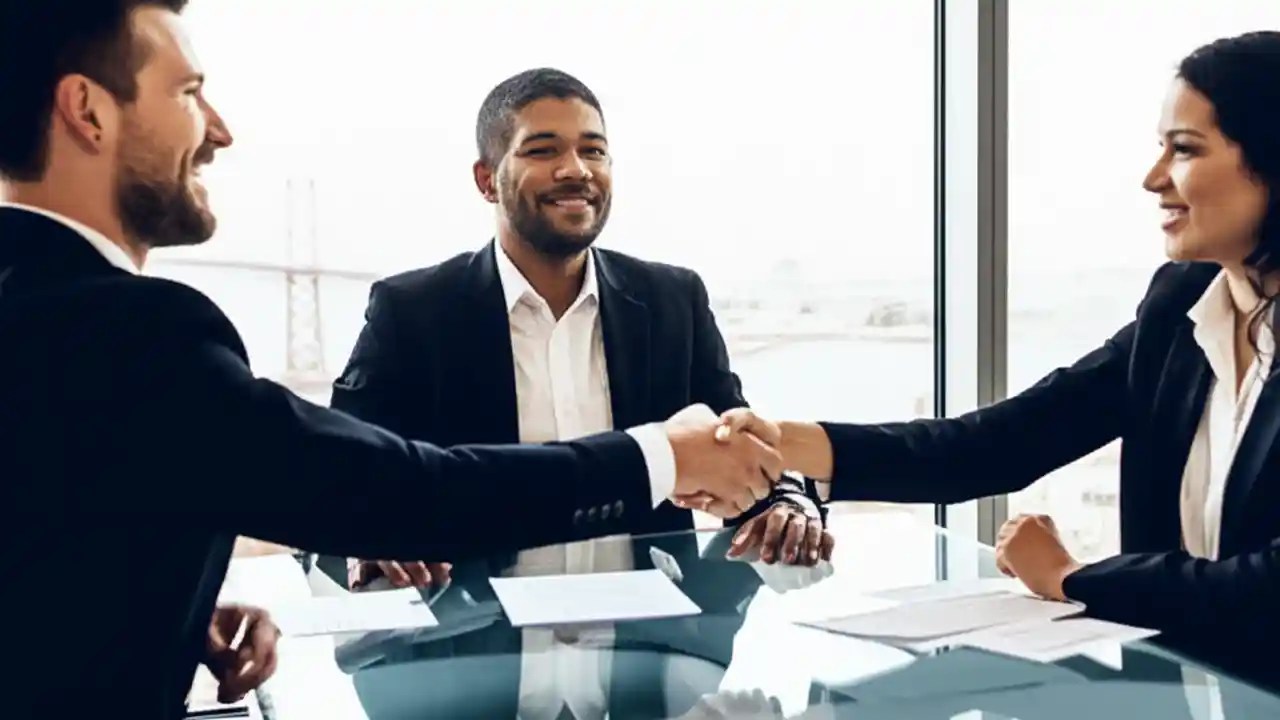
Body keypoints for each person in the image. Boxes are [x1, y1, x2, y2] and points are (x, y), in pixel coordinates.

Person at [0, 3, 782, 717]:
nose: (219, 130)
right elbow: (406, 491)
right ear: (88, 111)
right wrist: (658, 458)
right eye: (188, 93)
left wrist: (161, 606)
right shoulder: (141, 333)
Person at [712, 31, 1280, 690]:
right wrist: (782, 445)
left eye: (1183, 149)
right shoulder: (1182, 308)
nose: (1153, 179)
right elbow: (997, 443)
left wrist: (1070, 578)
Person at [328, 67, 831, 720]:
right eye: (543, 150)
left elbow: (741, 443)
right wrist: (372, 533)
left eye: (593, 149)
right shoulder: (413, 311)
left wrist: (787, 499)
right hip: (467, 674)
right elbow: (342, 473)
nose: (576, 169)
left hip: (651, 673)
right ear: (487, 179)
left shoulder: (673, 301)